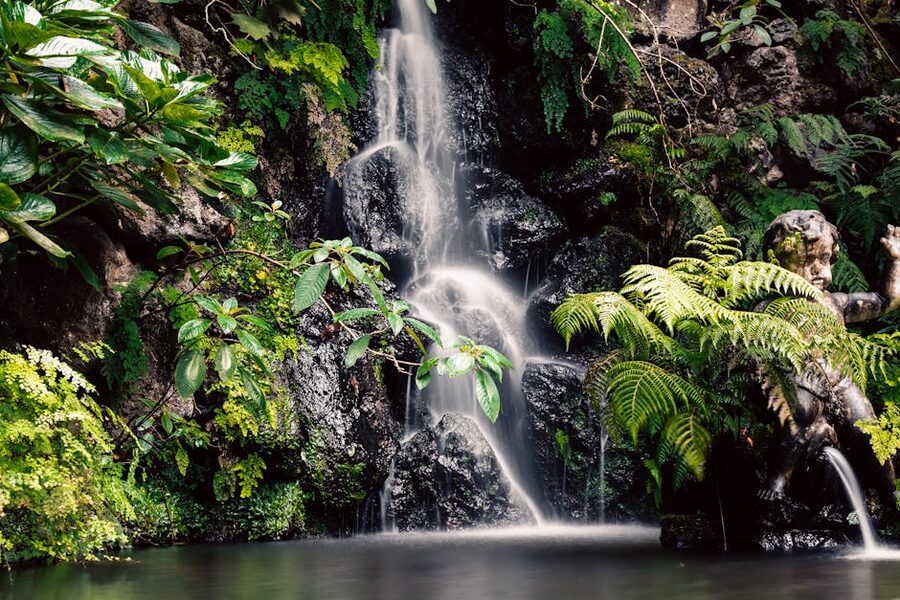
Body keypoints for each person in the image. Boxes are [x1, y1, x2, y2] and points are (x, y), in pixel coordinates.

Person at [759, 210, 900, 503]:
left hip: (840, 380)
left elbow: (886, 301)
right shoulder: (769, 308)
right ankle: (777, 480)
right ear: (778, 265)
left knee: (866, 429)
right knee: (797, 415)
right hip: (797, 380)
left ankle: (890, 491)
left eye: (824, 261)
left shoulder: (836, 304)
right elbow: (752, 352)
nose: (818, 272)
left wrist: (896, 263)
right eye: (806, 262)